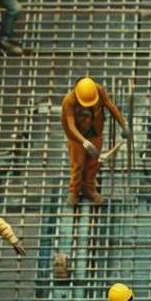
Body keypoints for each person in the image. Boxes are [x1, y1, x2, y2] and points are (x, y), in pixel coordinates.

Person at [60, 77, 129, 205]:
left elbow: (110, 105)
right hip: (77, 136)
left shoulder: (98, 91)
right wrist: (83, 142)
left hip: (95, 131)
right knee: (78, 163)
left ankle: (88, 188)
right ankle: (74, 190)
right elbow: (70, 125)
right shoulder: (69, 101)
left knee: (93, 162)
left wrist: (124, 125)